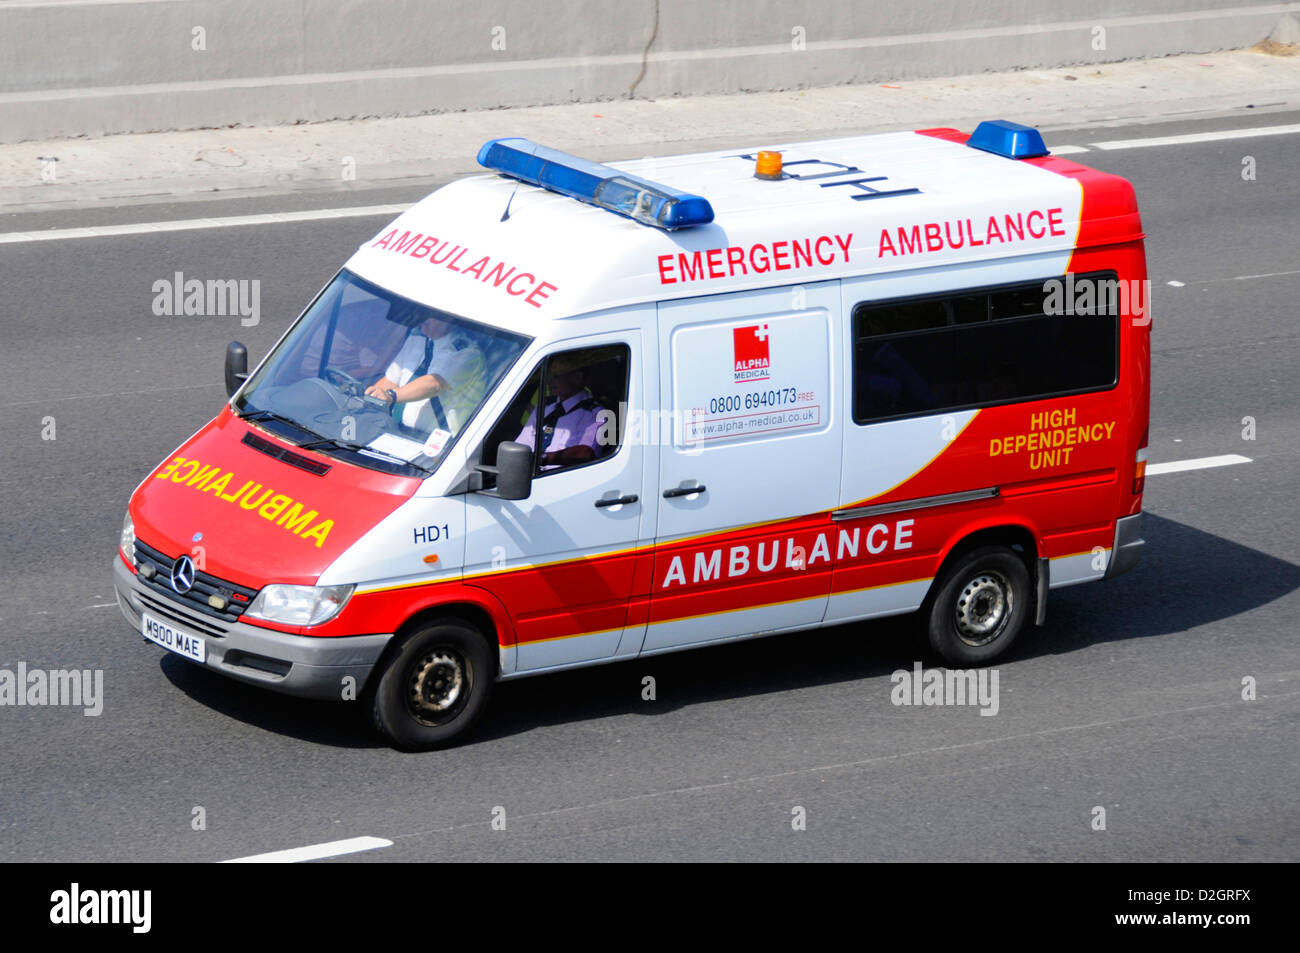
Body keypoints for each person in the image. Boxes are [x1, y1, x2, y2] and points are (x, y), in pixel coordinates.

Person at [366, 313, 485, 435]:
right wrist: (368, 400)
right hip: (395, 429)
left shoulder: (467, 352)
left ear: (447, 318)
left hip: (435, 443)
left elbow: (434, 383)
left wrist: (391, 396)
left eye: (431, 314)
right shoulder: (418, 339)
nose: (422, 318)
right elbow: (390, 380)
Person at [515, 356, 607, 469]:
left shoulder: (595, 413)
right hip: (528, 476)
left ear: (577, 377)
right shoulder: (544, 406)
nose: (549, 380)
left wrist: (543, 458)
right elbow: (522, 444)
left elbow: (586, 453)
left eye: (556, 376)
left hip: (563, 480)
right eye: (549, 375)